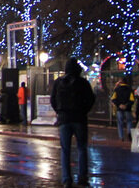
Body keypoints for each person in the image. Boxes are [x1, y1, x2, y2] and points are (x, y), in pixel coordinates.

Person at [50, 58, 97, 188]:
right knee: (82, 148)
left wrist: (59, 111)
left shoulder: (59, 83)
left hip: (64, 118)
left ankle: (66, 179)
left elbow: (53, 99)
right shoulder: (83, 83)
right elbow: (91, 99)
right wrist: (84, 110)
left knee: (65, 150)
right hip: (79, 118)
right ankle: (82, 177)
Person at [110, 75, 134, 141]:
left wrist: (119, 105)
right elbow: (132, 100)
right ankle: (129, 133)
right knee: (129, 122)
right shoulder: (130, 89)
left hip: (119, 109)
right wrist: (127, 105)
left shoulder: (117, 90)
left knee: (120, 123)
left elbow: (113, 98)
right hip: (127, 109)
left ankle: (121, 137)